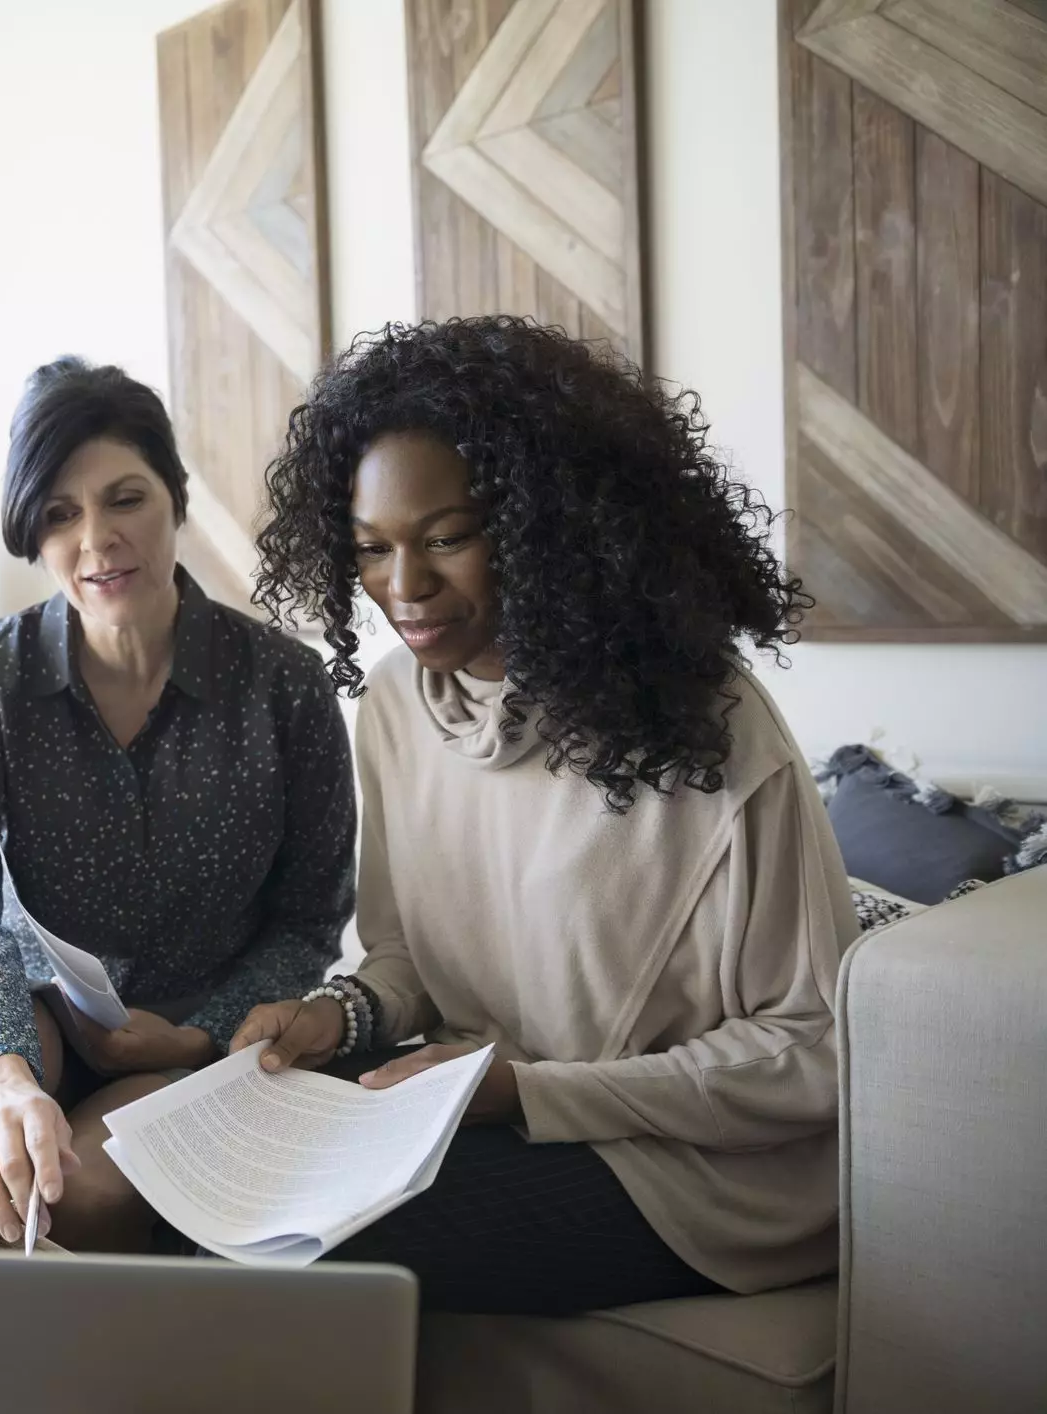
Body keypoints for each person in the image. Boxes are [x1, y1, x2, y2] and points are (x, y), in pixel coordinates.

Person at [234, 316, 854, 1315]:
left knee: (308, 1247)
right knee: (210, 1203)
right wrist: (334, 1016)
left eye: (447, 538)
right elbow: (406, 966)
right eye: (370, 549)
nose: (405, 587)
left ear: (545, 524)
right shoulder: (396, 705)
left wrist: (528, 1093)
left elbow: (817, 1045)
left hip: (699, 1171)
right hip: (485, 1107)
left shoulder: (705, 718)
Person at [0, 356, 354, 1252]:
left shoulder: (286, 687)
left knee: (62, 1200)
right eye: (60, 515)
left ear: (174, 500)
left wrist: (200, 1035)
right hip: (27, 1005)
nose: (96, 540)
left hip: (199, 1041)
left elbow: (309, 922)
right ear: (33, 535)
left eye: (124, 499)